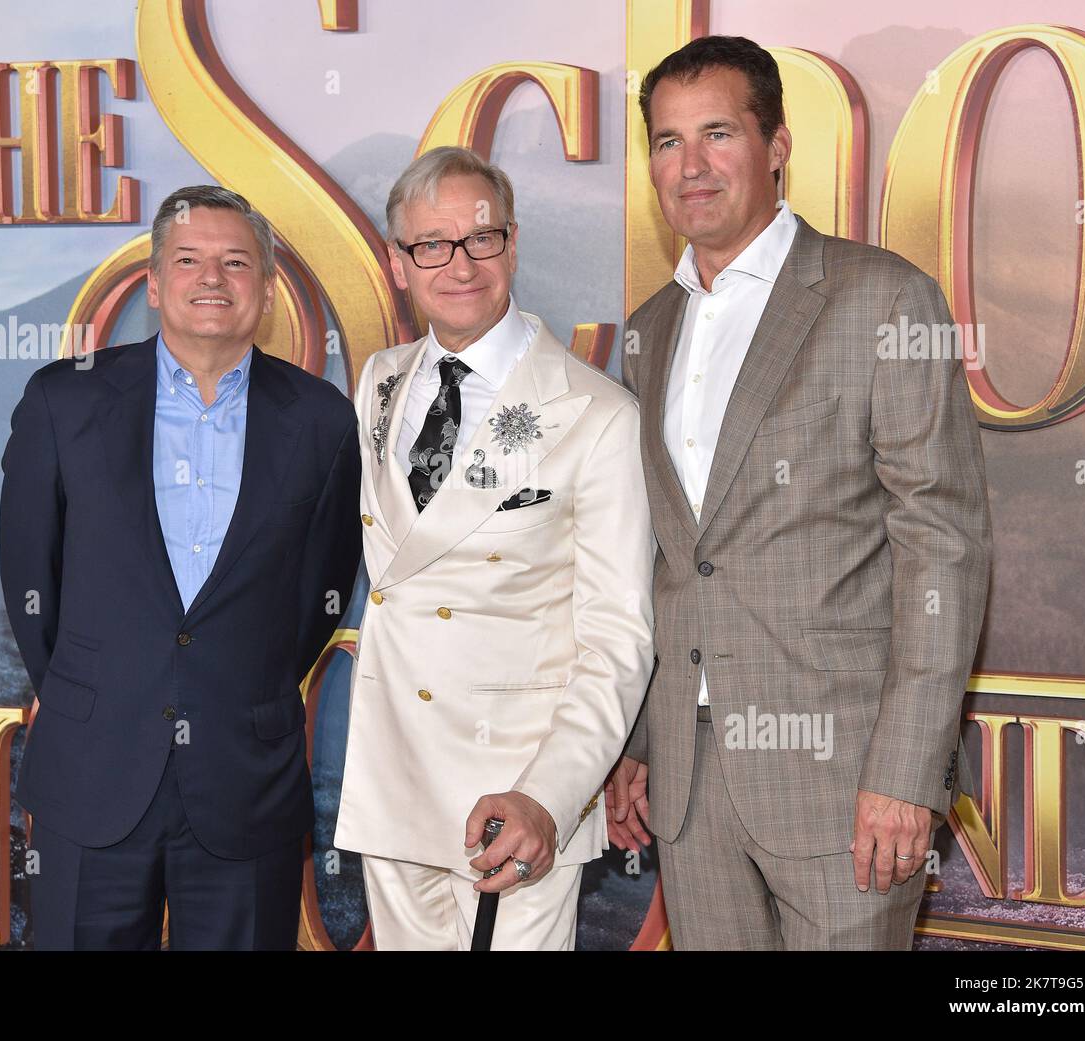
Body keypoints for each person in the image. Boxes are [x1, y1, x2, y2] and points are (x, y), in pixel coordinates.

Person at [607, 36, 991, 950]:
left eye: (717, 134)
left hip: (845, 777)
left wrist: (907, 770)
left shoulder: (883, 300)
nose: (691, 166)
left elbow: (945, 545)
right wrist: (641, 743)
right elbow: (669, 556)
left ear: (777, 145)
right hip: (689, 787)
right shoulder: (649, 330)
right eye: (667, 142)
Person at [0, 185, 362, 949]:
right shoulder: (64, 401)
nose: (212, 279)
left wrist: (232, 675)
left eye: (236, 262)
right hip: (93, 771)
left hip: (246, 781)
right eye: (189, 259)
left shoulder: (322, 419)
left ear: (266, 291)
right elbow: (33, 582)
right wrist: (99, 686)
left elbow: (317, 598)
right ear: (155, 283)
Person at [335, 146, 654, 950]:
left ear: (512, 244)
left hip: (512, 795)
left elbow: (619, 637)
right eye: (431, 245)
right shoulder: (379, 379)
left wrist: (551, 794)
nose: (460, 264)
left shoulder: (597, 412)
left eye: (481, 239)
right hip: (392, 776)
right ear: (399, 262)